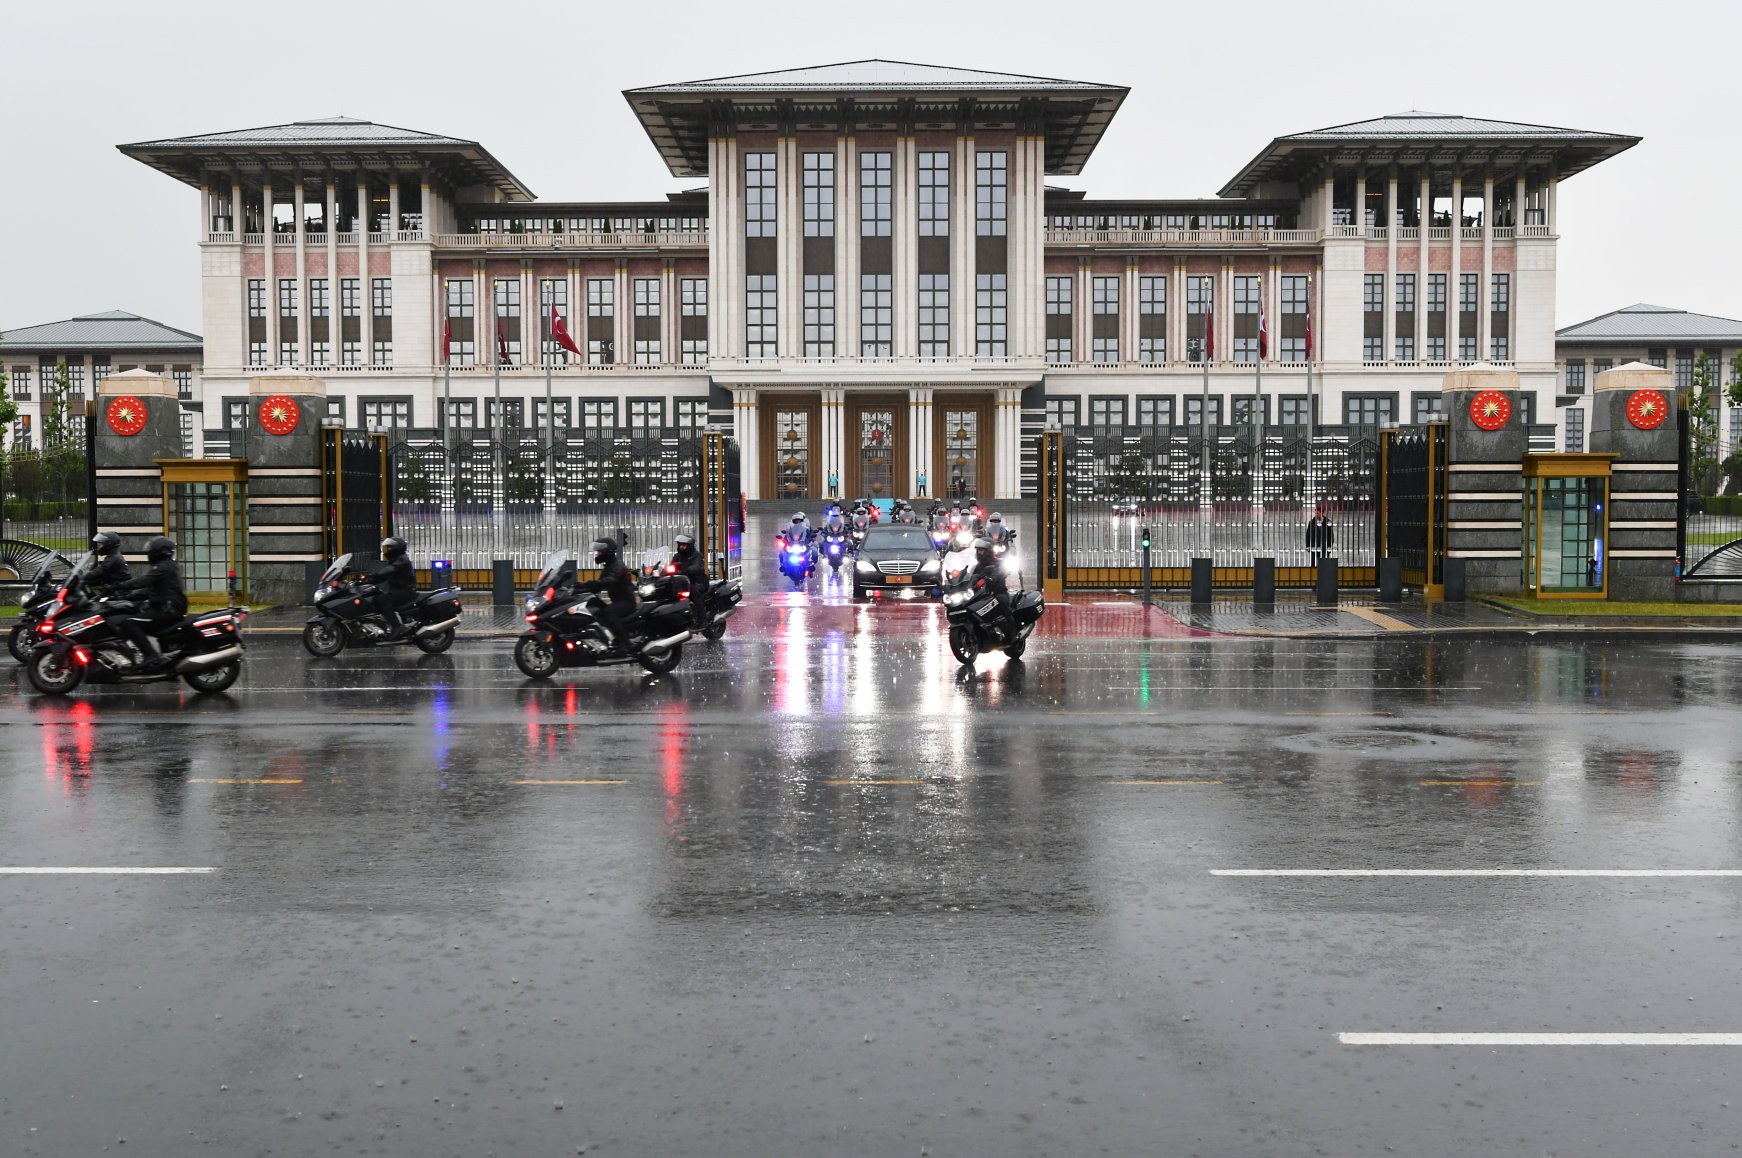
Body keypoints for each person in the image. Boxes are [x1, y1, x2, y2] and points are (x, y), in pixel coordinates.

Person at [116, 535, 187, 672]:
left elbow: (144, 581)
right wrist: (128, 597)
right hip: (168, 608)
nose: (149, 554)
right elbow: (149, 590)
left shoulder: (163, 567)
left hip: (167, 610)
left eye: (151, 551)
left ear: (159, 551)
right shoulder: (167, 566)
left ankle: (150, 656)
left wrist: (120, 586)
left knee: (129, 623)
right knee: (136, 616)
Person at [578, 537, 636, 652]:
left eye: (600, 551)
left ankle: (625, 643)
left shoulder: (617, 566)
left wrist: (588, 583)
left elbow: (610, 580)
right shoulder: (608, 567)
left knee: (608, 612)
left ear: (607, 552)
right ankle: (604, 637)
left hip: (627, 602)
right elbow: (597, 587)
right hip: (617, 601)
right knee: (591, 603)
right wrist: (578, 589)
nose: (597, 554)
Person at [366, 536, 417, 634]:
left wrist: (376, 575)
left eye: (391, 547)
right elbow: (383, 577)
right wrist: (366, 581)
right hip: (398, 590)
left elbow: (390, 570)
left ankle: (397, 626)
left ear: (398, 548)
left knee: (382, 599)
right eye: (388, 547)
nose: (389, 549)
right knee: (374, 597)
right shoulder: (395, 560)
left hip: (406, 591)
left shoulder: (402, 559)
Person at [972, 537, 1015, 634]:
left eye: (982, 551)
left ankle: (1012, 631)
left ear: (988, 551)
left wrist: (991, 579)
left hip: (997, 593)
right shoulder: (977, 566)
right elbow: (970, 575)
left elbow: (1000, 573)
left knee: (1001, 602)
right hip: (982, 595)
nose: (979, 553)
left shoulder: (998, 563)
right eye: (978, 550)